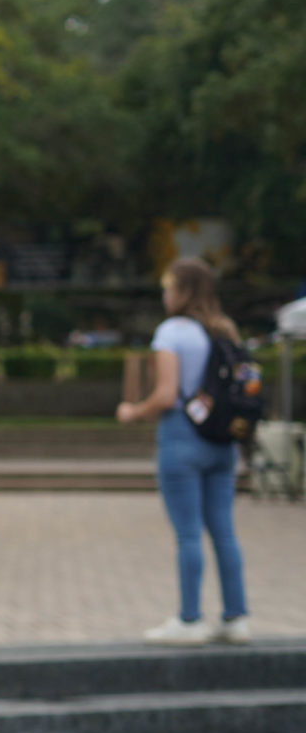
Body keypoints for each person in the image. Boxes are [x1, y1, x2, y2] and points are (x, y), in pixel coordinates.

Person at [117, 257, 251, 646]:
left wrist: (133, 411)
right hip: (222, 444)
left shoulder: (171, 332)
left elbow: (165, 394)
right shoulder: (225, 330)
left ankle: (189, 619)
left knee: (188, 535)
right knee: (224, 533)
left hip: (181, 439)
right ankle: (235, 618)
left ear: (182, 290)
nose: (164, 293)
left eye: (167, 286)